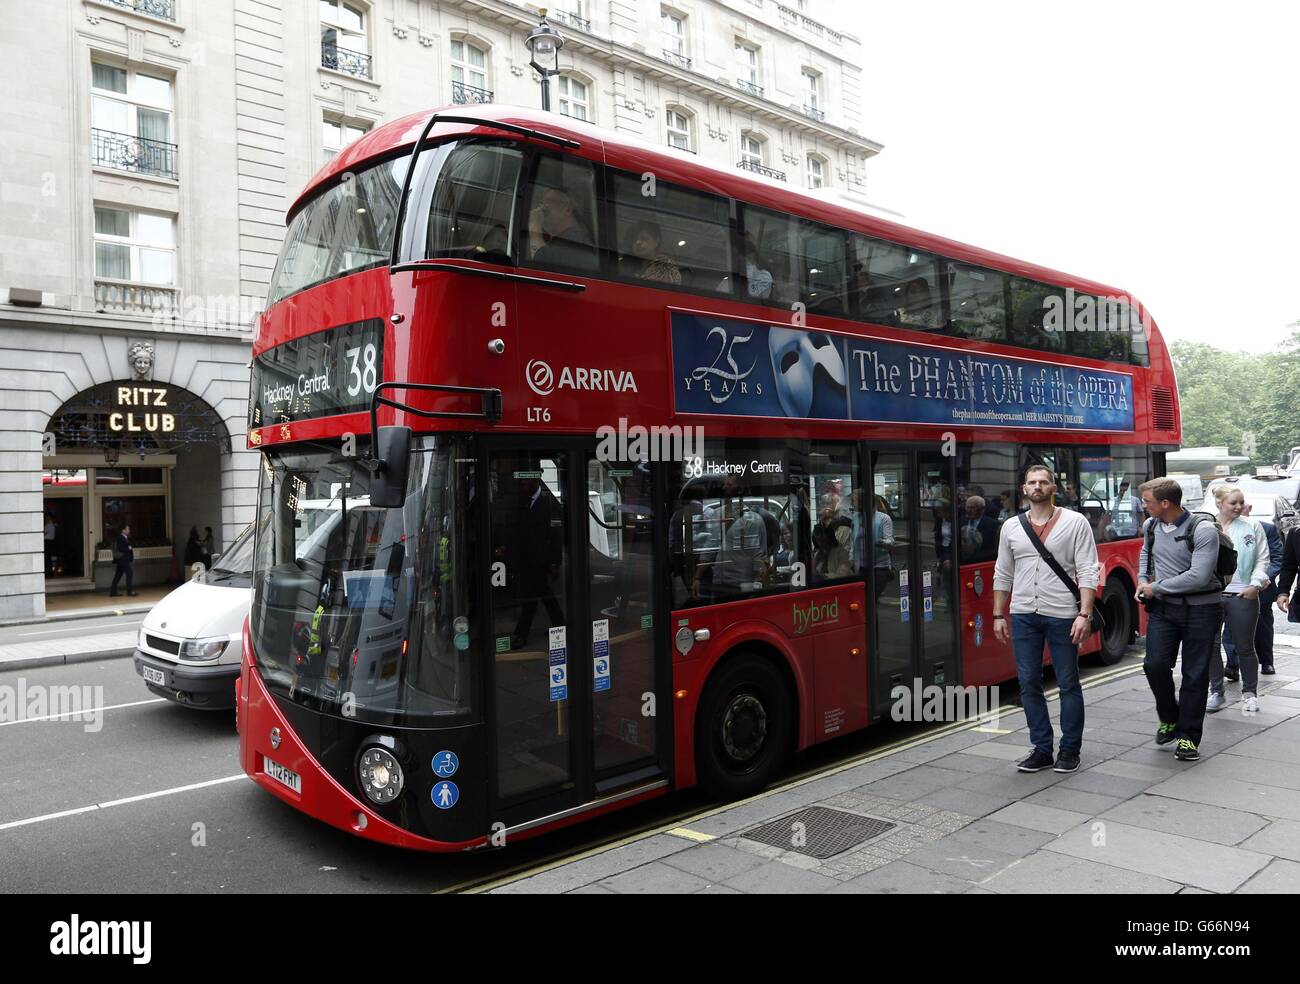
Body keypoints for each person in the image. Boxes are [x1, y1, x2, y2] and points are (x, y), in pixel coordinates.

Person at [992, 464, 1100, 774]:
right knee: (1028, 683)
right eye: (1032, 483)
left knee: (1068, 682)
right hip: (1023, 614)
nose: (1037, 487)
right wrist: (999, 614)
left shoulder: (1075, 522)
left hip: (1063, 614)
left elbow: (1088, 569)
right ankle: (1041, 749)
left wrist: (1085, 613)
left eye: (1043, 482)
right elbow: (1003, 572)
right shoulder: (1011, 526)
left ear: (1053, 488)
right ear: (1023, 489)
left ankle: (1069, 749)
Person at [1135, 477, 1225, 761]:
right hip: (1164, 608)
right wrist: (1141, 581)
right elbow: (1145, 553)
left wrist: (1156, 587)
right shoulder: (1151, 525)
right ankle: (1170, 718)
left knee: (1195, 674)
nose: (1143, 506)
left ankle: (1188, 737)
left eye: (1147, 501)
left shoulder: (1203, 530)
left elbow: (1198, 576)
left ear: (1165, 503)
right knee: (1155, 665)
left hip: (1202, 609)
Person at [1203, 487, 1270, 714]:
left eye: (1241, 502)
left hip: (1243, 593)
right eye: (1233, 503)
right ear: (1219, 503)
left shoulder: (1253, 526)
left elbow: (1263, 559)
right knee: (1210, 646)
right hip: (1211, 595)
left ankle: (1249, 694)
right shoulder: (1206, 528)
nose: (1239, 507)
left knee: (1245, 647)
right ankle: (1216, 692)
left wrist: (1255, 585)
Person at [509, 475, 565, 649]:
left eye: (526, 480)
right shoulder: (524, 501)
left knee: (531, 599)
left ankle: (521, 634)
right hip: (527, 561)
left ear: (536, 480)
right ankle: (561, 627)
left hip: (541, 562)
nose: (523, 483)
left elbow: (556, 536)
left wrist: (555, 563)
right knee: (545, 597)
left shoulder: (549, 502)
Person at [528, 187, 596, 272]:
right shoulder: (561, 241)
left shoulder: (577, 243)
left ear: (568, 209)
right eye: (542, 203)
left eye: (550, 201)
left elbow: (540, 268)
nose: (543, 207)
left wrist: (535, 230)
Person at [960, 495, 999, 563]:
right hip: (961, 560)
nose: (969, 510)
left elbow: (993, 549)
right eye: (967, 507)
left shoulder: (992, 525)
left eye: (972, 508)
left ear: (982, 509)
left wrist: (973, 552)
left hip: (981, 561)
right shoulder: (961, 521)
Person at [110, 524, 138, 597]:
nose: (129, 530)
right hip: (123, 560)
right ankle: (130, 592)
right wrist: (128, 548)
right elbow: (120, 548)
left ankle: (113, 592)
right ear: (123, 530)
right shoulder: (120, 538)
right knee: (129, 574)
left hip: (123, 560)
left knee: (118, 575)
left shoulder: (125, 537)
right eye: (127, 529)